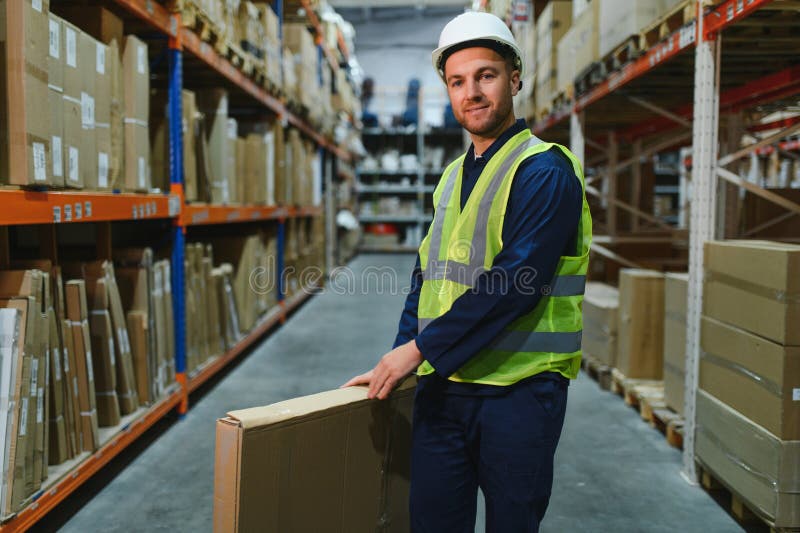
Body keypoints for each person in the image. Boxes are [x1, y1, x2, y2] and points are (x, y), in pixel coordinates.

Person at [343, 11, 592, 533]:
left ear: (514, 79)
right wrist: (399, 356)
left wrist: (419, 350)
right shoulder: (454, 175)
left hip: (519, 396)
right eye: (458, 81)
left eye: (486, 75)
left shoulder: (545, 170)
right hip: (445, 391)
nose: (471, 92)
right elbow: (427, 278)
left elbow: (514, 284)